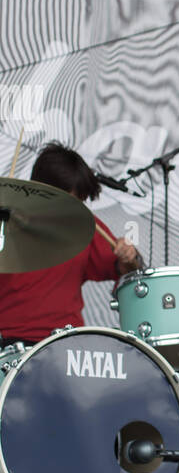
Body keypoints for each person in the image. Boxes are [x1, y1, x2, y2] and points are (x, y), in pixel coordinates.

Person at [0, 142, 142, 344]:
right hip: (7, 344)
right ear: (42, 190)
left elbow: (127, 270)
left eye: (80, 202)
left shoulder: (83, 225)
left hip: (65, 344)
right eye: (69, 201)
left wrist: (129, 257)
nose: (75, 209)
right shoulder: (5, 222)